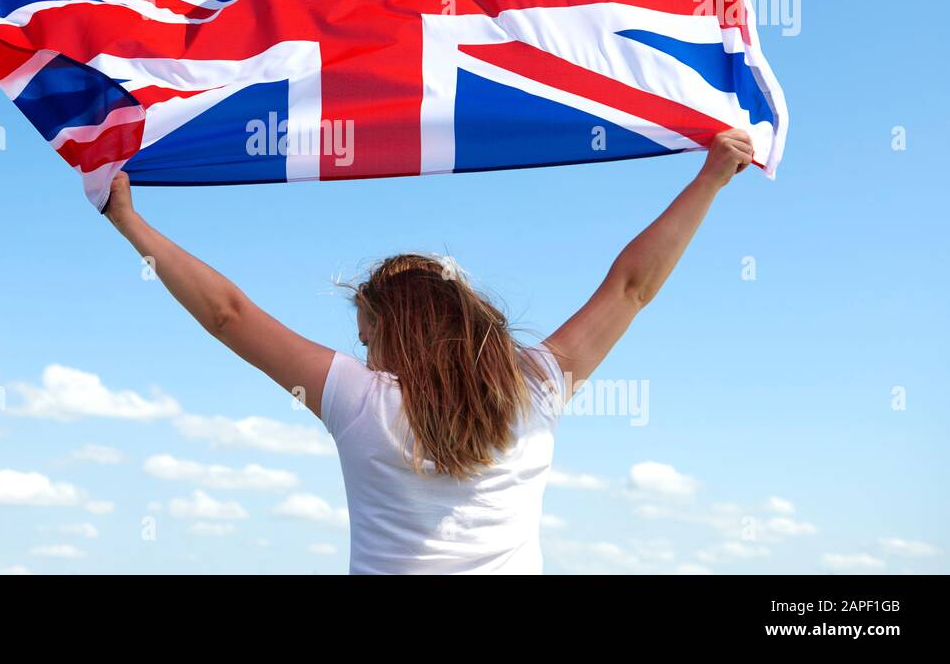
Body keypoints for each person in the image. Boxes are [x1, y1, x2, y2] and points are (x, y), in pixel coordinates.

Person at [103, 128, 756, 574]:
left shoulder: (359, 400)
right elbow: (631, 287)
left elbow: (228, 315)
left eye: (368, 331)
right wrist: (709, 179)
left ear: (399, 326)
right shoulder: (534, 386)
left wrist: (128, 219)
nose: (362, 346)